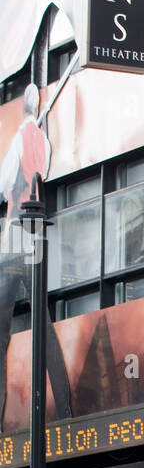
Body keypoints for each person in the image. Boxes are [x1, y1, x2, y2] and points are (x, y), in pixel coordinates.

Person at [0, 84, 71, 427]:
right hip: (37, 231)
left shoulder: (18, 140)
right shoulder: (42, 140)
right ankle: (67, 406)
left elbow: (4, 186)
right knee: (42, 323)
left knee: (1, 330)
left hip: (16, 230)